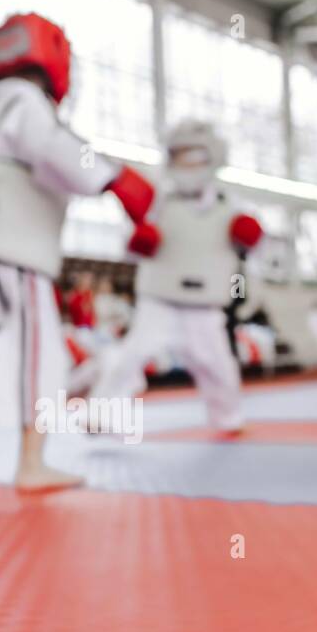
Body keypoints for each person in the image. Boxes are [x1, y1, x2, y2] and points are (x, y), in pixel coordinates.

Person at [0, 12, 155, 491]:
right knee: (40, 360)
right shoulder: (30, 109)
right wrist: (116, 180)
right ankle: (32, 464)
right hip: (12, 258)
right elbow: (59, 153)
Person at [90, 119, 261, 434]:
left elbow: (254, 252)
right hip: (159, 298)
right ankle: (100, 415)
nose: (188, 162)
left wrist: (251, 237)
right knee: (133, 353)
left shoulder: (230, 204)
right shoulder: (158, 202)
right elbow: (128, 251)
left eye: (194, 155)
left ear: (211, 157)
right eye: (180, 155)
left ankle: (229, 418)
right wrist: (140, 242)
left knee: (217, 365)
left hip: (206, 302)